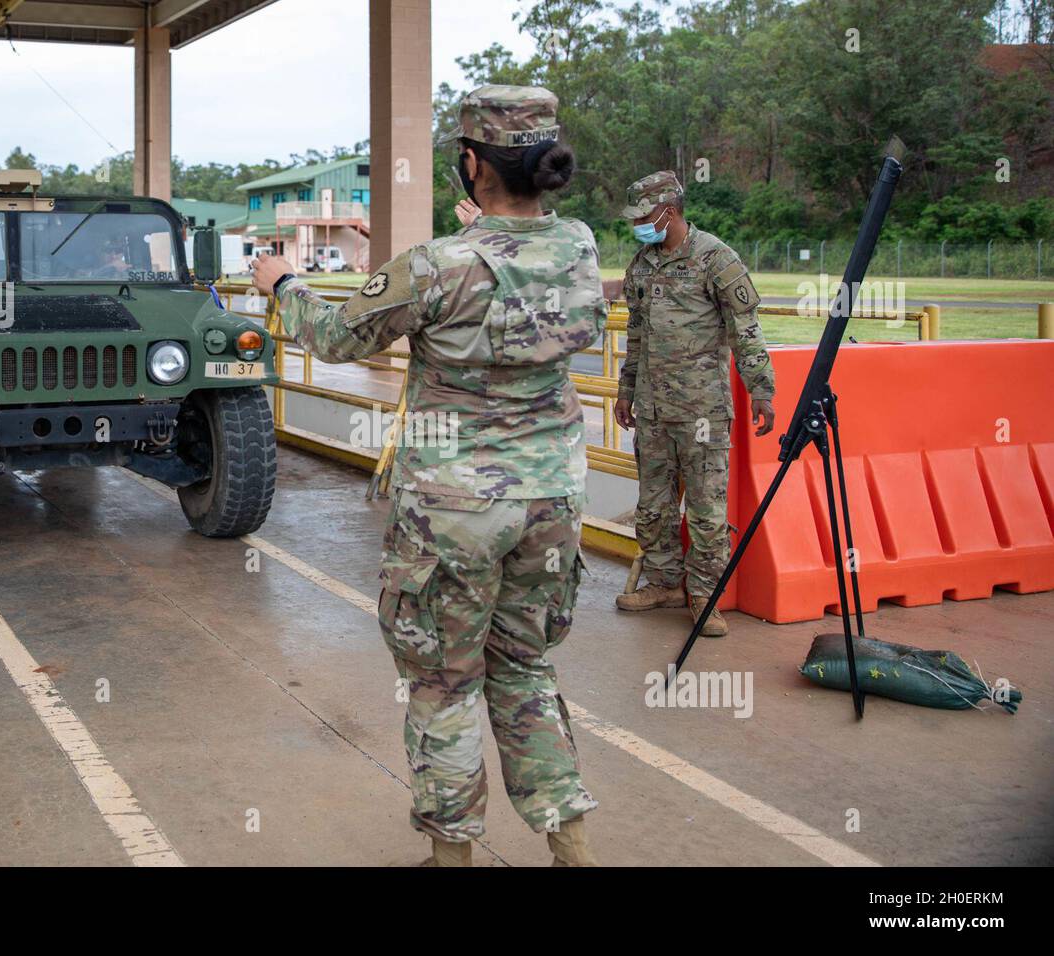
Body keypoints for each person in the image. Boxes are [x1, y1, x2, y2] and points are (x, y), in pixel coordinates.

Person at [252, 85, 605, 867]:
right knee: (525, 669)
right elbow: (522, 259)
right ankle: (570, 846)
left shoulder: (437, 265)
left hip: (455, 513)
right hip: (551, 502)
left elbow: (338, 337)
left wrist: (281, 283)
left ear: (473, 165)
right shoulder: (578, 244)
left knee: (445, 683)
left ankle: (452, 857)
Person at [613, 171, 776, 636]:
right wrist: (626, 391)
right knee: (654, 504)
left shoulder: (716, 259)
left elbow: (746, 331)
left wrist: (761, 388)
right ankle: (664, 582)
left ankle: (705, 592)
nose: (639, 226)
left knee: (705, 508)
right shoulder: (641, 265)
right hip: (652, 409)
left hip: (702, 409)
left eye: (645, 217)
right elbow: (637, 335)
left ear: (670, 210)